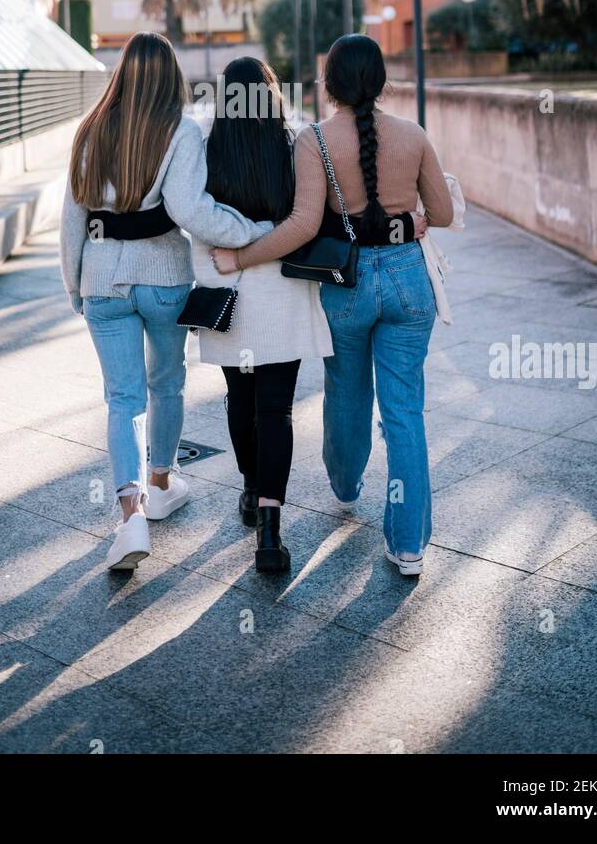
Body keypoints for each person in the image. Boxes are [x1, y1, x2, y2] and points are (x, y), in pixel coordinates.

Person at [213, 35, 453, 577]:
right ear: (382, 81)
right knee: (405, 413)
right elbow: (438, 210)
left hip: (346, 285)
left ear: (330, 85)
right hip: (410, 284)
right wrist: (403, 220)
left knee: (346, 394)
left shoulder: (314, 141)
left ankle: (346, 485)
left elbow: (302, 225)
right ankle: (409, 545)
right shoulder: (413, 136)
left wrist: (243, 257)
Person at [60, 32, 270, 572]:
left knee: (122, 399)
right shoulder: (181, 130)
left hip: (102, 282)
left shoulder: (89, 131)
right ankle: (161, 480)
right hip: (164, 280)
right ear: (170, 75)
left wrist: (75, 286)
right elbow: (190, 210)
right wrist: (253, 231)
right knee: (166, 381)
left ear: (123, 71)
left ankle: (129, 513)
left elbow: (72, 222)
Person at [192, 58, 332, 572]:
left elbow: (196, 215)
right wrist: (266, 233)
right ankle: (270, 534)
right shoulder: (293, 143)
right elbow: (303, 222)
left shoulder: (209, 144)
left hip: (227, 292)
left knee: (239, 398)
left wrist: (237, 239)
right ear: (271, 94)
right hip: (283, 295)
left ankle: (251, 490)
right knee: (276, 409)